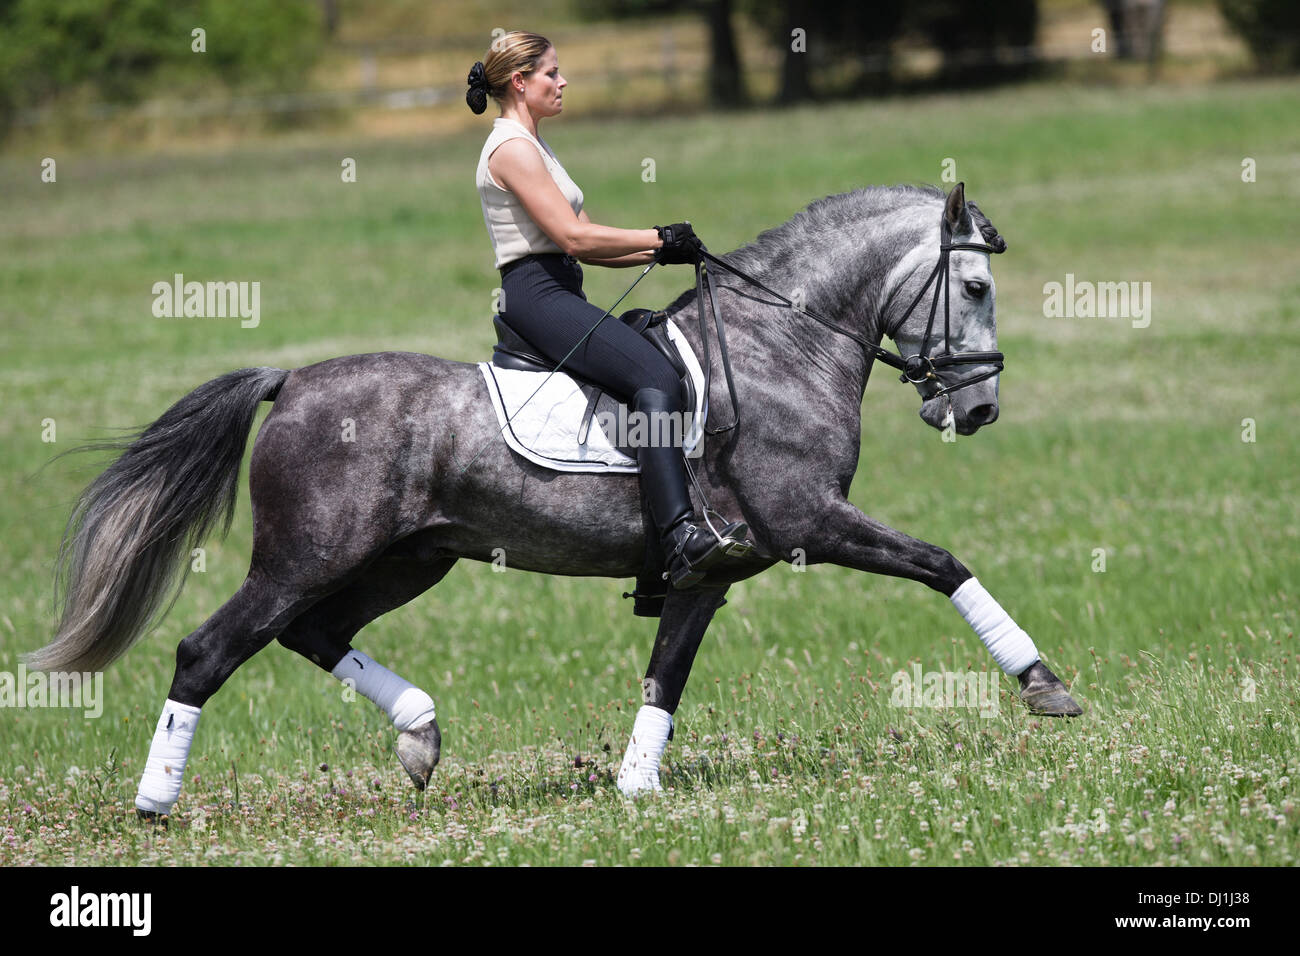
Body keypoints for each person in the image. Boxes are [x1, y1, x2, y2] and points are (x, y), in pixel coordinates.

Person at [467, 31, 751, 589]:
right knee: (655, 375)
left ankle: (650, 547)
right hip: (536, 295)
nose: (563, 81)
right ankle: (678, 538)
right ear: (521, 82)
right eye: (552, 73)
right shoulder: (512, 149)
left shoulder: (534, 143)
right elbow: (573, 237)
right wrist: (655, 234)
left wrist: (664, 250)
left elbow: (590, 239)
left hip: (559, 289)